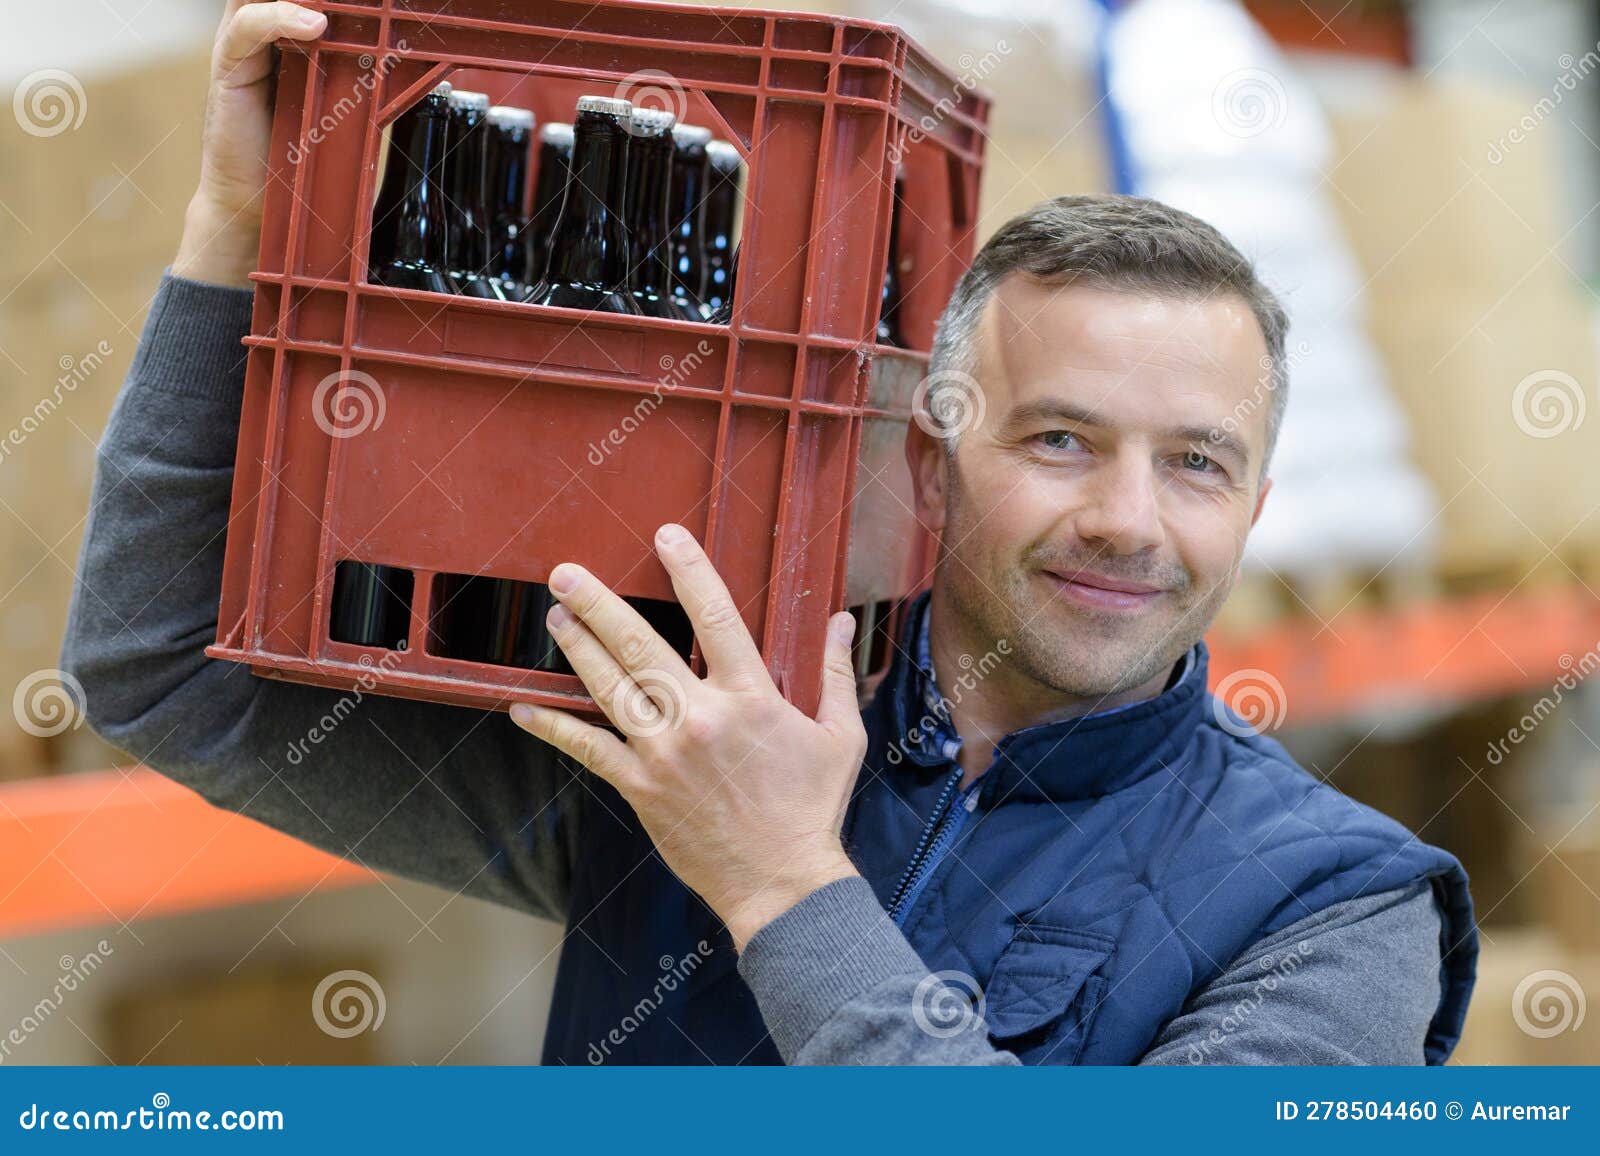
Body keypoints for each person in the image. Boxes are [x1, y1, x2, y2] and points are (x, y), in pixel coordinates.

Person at [61, 0, 1475, 1065]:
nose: (1126, 519)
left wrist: (781, 880)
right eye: (1059, 441)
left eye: (1199, 466)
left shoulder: (1342, 911)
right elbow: (168, 672)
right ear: (930, 453)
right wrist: (236, 226)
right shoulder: (694, 739)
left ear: (1257, 509)